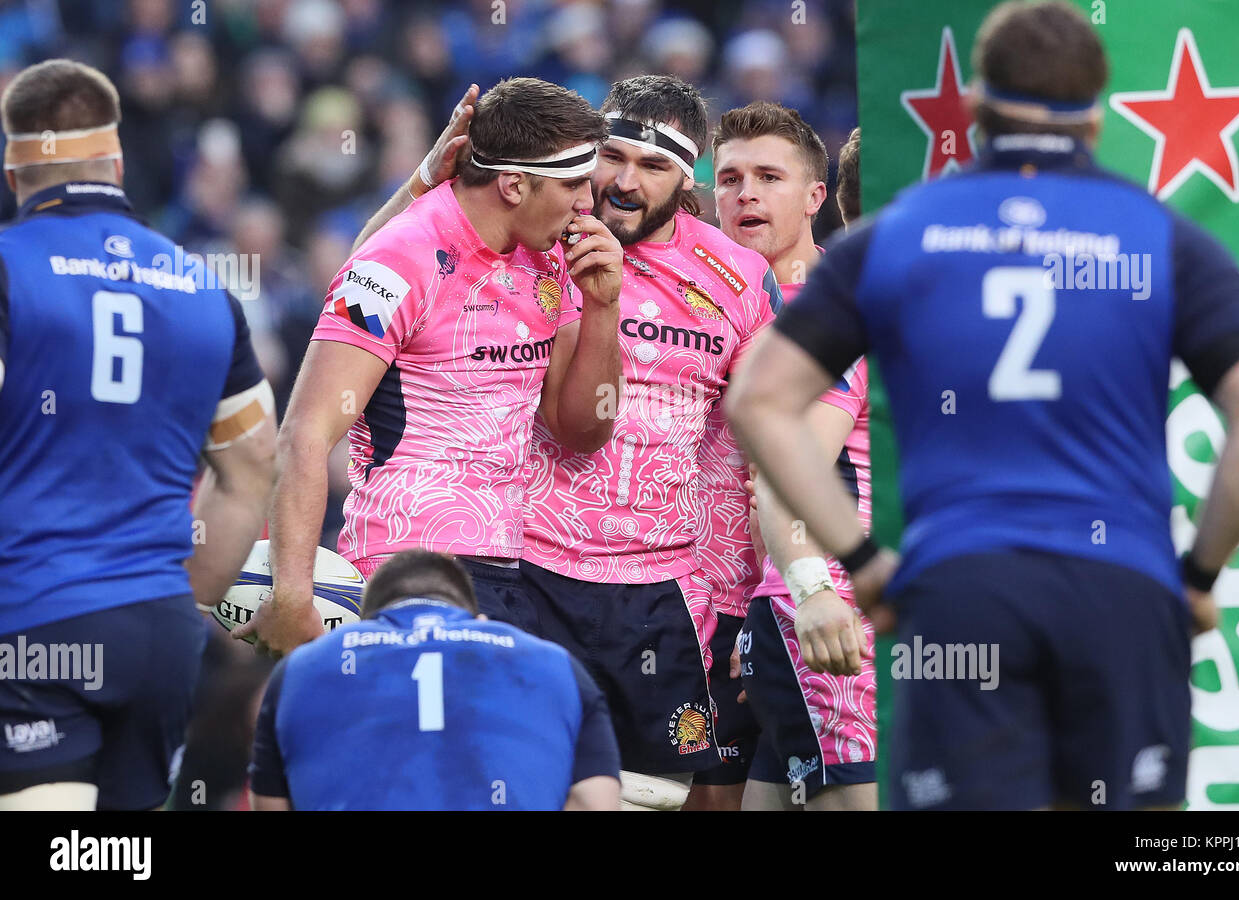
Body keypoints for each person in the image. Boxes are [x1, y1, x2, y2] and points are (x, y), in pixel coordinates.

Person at [725, 0, 1239, 811]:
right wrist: (1200, 573)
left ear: (979, 106)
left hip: (961, 591)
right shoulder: (1158, 234)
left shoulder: (900, 232)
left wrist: (862, 565)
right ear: (1098, 113)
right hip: (1121, 590)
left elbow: (760, 402)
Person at [361, 75, 783, 807]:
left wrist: (764, 597)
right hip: (529, 567)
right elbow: (369, 282)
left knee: (660, 797)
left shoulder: (738, 276)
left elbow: (764, 444)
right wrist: (427, 176)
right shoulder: (538, 231)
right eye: (610, 158)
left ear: (688, 179)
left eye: (652, 167)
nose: (622, 183)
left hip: (660, 588)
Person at [243, 77, 624, 656]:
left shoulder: (550, 257)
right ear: (514, 185)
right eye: (572, 184)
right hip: (405, 564)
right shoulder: (395, 259)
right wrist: (292, 596)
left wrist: (602, 308)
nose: (586, 203)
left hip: (506, 565)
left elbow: (582, 431)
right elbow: (304, 432)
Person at [0, 59, 274, 811]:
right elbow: (254, 468)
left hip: (31, 620)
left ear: (14, 169)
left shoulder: (9, 268)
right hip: (158, 633)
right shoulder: (205, 288)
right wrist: (181, 605)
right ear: (117, 162)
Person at [702, 102, 877, 811]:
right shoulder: (697, 300)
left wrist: (798, 592)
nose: (746, 193)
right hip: (756, 610)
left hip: (818, 608)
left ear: (817, 197)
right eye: (730, 178)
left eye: (769, 176)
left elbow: (789, 467)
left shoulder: (840, 305)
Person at [248, 550, 621, 810]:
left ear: (371, 619)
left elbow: (270, 804)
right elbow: (595, 801)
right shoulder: (555, 665)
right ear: (478, 619)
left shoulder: (301, 669)